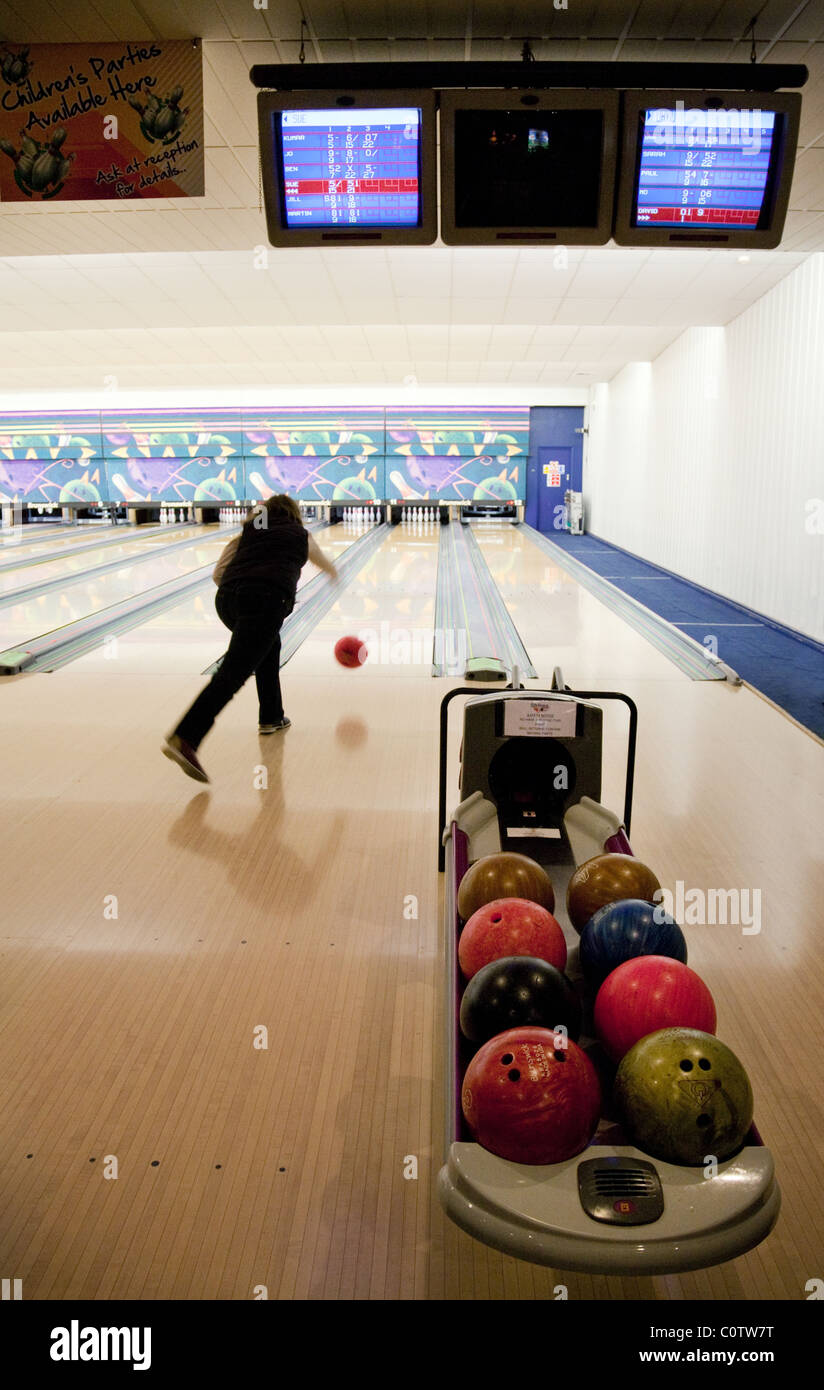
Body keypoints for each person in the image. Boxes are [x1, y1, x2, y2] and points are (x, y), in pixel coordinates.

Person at [163, 494, 337, 783]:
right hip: (265, 601)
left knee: (268, 646)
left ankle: (271, 716)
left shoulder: (248, 533)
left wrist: (242, 590)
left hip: (228, 601)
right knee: (232, 673)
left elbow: (218, 573)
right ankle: (185, 737)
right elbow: (322, 562)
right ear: (294, 514)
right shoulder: (299, 534)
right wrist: (333, 574)